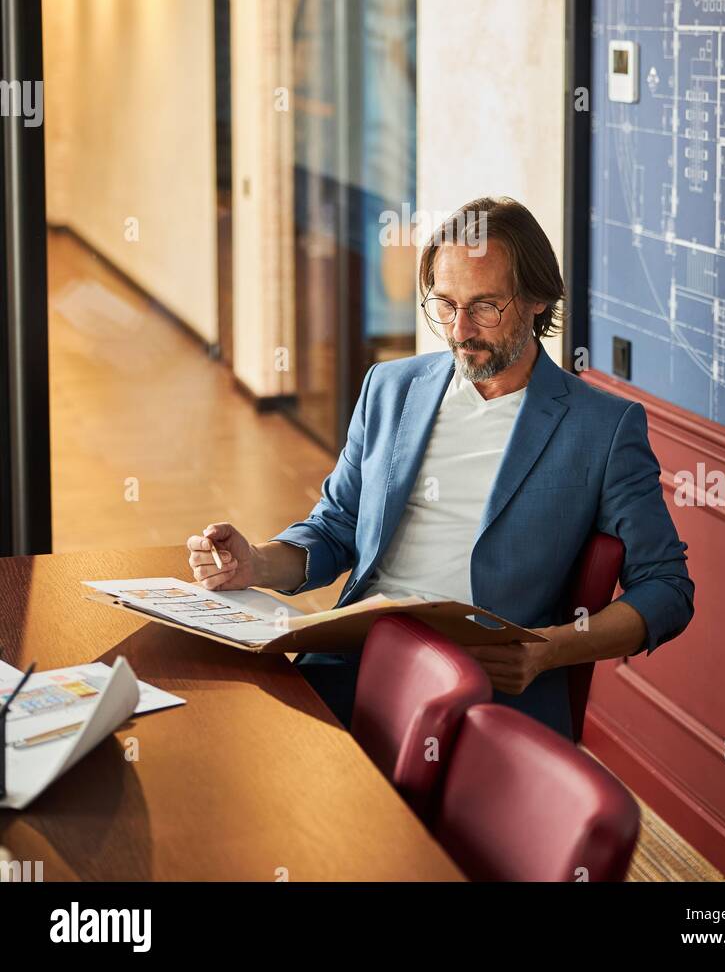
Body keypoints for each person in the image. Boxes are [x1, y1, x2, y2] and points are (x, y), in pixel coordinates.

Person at [187, 196, 694, 740]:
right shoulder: (390, 388)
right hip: (356, 658)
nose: (460, 330)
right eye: (445, 305)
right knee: (221, 731)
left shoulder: (602, 427)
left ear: (538, 300)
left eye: (485, 307)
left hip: (477, 688)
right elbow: (335, 526)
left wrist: (549, 650)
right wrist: (257, 564)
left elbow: (667, 588)